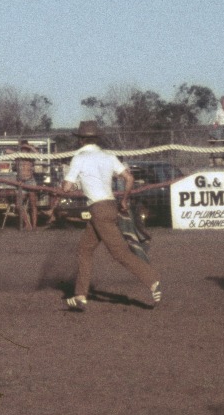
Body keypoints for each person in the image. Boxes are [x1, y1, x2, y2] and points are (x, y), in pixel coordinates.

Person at [61, 120, 161, 311]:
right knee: (84, 249)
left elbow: (66, 187)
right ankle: (80, 295)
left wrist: (66, 187)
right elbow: (129, 178)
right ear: (96, 138)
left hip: (98, 210)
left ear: (81, 139)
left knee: (119, 253)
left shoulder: (79, 158)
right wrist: (124, 200)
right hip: (109, 206)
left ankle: (152, 280)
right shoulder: (108, 155)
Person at [13, 141, 40, 230]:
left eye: (25, 148)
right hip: (20, 182)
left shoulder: (31, 156)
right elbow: (7, 152)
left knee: (33, 204)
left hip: (30, 181)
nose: (24, 149)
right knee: (18, 204)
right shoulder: (17, 156)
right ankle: (28, 224)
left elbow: (38, 154)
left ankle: (35, 226)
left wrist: (29, 146)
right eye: (23, 148)